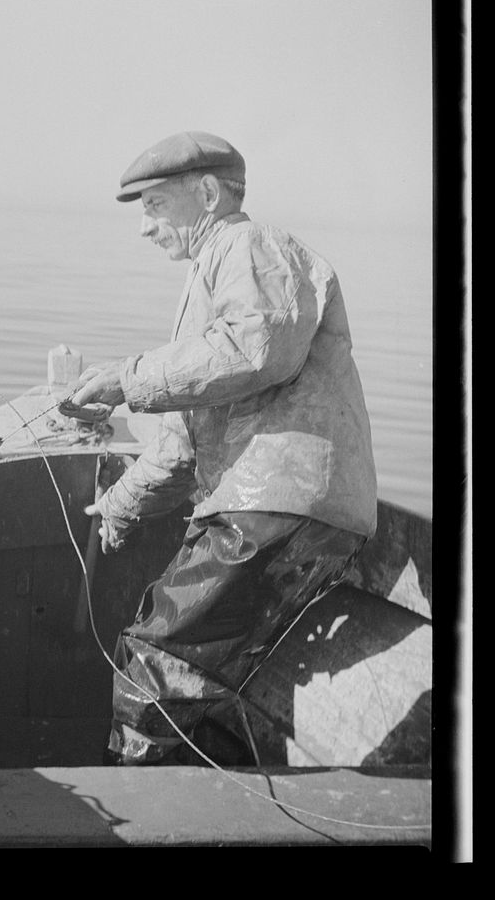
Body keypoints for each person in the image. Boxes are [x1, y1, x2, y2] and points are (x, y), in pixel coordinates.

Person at [70, 130, 378, 765]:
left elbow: (253, 350)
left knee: (155, 658)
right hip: (291, 511)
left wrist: (127, 379)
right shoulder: (215, 270)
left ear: (208, 194)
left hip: (272, 507)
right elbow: (184, 436)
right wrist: (121, 503)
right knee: (196, 671)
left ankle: (136, 797)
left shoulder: (248, 245)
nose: (145, 227)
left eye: (155, 205)